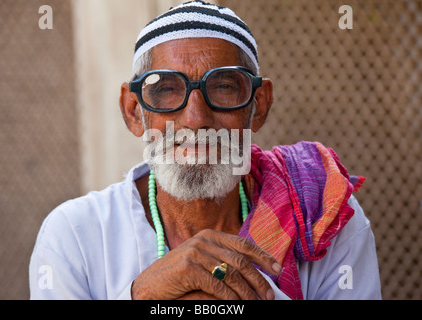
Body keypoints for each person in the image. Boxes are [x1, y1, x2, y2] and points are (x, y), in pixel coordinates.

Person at [29, 1, 381, 300]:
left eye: (224, 86)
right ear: (134, 111)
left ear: (258, 106)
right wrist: (144, 294)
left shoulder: (324, 215)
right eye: (166, 89)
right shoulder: (74, 234)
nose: (196, 120)